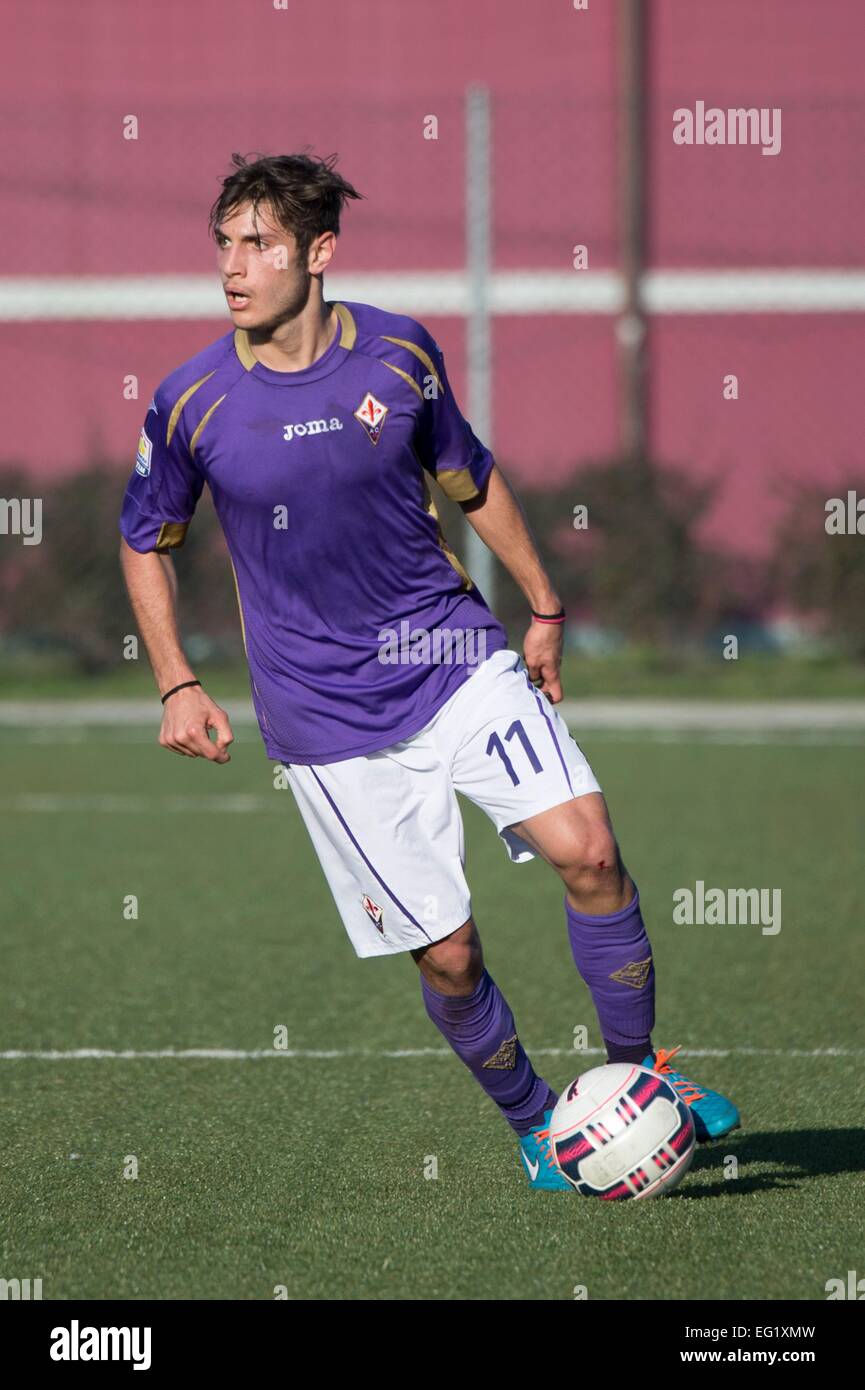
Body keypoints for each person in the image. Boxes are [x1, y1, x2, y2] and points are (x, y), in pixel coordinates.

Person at [119, 152, 739, 1191]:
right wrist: (176, 680)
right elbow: (146, 537)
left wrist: (541, 605)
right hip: (325, 716)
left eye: (259, 243)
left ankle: (639, 1080)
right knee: (448, 956)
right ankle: (540, 1124)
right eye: (224, 242)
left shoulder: (399, 353)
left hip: (452, 654)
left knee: (587, 850)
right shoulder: (191, 402)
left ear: (319, 253)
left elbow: (470, 475)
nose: (234, 265)